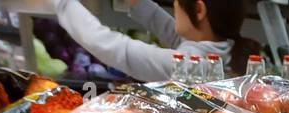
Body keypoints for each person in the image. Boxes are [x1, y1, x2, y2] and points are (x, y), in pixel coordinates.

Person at [45, 0, 258, 82]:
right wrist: (137, 4)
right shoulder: (220, 50)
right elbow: (170, 30)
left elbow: (111, 46)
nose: (174, 4)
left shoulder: (184, 64)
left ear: (199, 10)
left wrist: (62, 3)